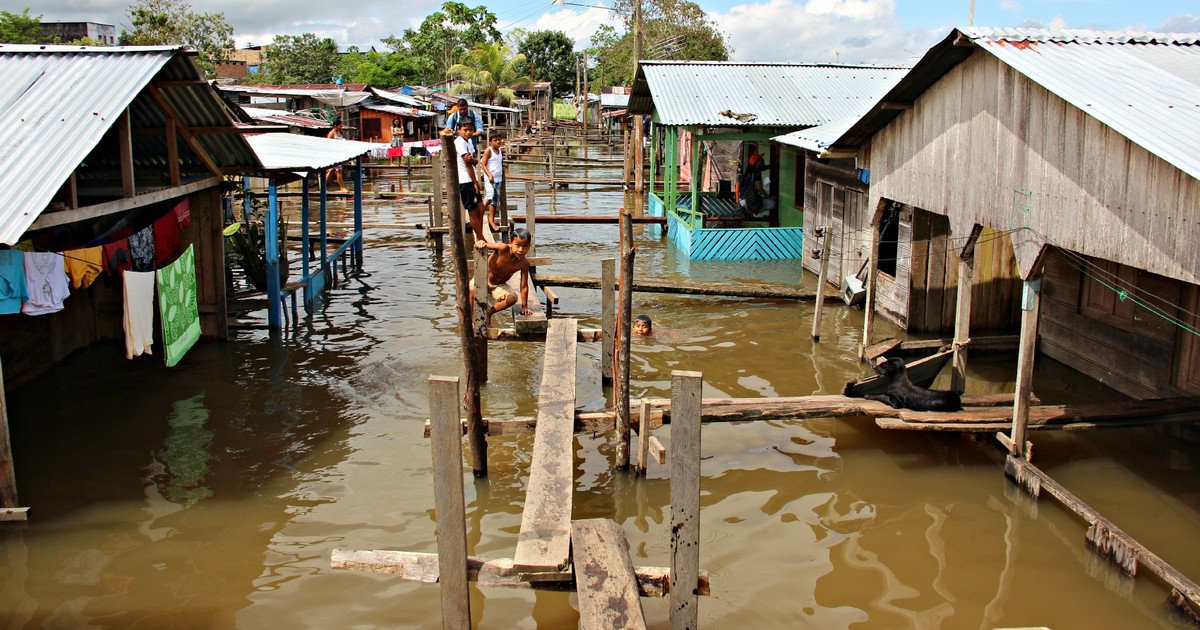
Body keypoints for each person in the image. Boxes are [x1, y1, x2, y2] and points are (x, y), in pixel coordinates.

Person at [470, 228, 533, 326]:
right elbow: (484, 245)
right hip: (483, 279)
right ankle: (471, 319)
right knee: (471, 289)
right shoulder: (502, 248)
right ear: (510, 243)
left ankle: (489, 313)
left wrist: (524, 307)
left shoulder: (524, 263)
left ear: (529, 246)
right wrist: (480, 243)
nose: (521, 250)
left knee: (512, 298)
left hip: (499, 285)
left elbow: (524, 286)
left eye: (525, 246)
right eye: (517, 245)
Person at [452, 119, 487, 241]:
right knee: (472, 210)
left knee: (481, 208)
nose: (468, 132)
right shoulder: (459, 142)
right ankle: (481, 237)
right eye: (465, 130)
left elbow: (472, 159)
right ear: (459, 130)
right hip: (466, 181)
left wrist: (475, 161)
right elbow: (468, 163)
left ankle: (480, 234)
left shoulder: (469, 141)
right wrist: (475, 182)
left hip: (471, 179)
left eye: (470, 130)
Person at [479, 131, 506, 233]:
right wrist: (489, 174)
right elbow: (483, 164)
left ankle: (491, 221)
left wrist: (502, 168)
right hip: (490, 178)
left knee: (495, 201)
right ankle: (479, 214)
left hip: (498, 178)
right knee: (490, 195)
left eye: (499, 140)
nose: (498, 142)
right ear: (490, 142)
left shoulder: (500, 150)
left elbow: (499, 162)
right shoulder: (488, 151)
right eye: (495, 140)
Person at [738, 150, 777, 218]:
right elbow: (759, 188)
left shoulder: (750, 172)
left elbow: (763, 168)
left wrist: (772, 166)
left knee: (766, 181)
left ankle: (750, 210)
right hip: (749, 201)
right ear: (757, 162)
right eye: (761, 159)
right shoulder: (756, 173)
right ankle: (751, 211)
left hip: (743, 200)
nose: (763, 160)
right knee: (772, 204)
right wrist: (768, 197)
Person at [326, 121, 349, 192]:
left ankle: (323, 186)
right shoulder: (331, 134)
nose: (341, 127)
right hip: (334, 155)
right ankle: (342, 187)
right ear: (335, 126)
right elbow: (328, 145)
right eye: (340, 126)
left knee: (331, 171)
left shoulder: (339, 133)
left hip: (339, 155)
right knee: (339, 170)